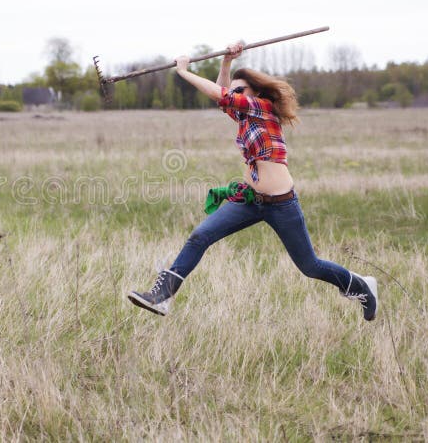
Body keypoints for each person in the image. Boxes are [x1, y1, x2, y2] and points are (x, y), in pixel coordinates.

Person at [127, 42, 378, 320]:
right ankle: (162, 297)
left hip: (281, 205)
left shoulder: (261, 107)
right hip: (249, 200)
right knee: (200, 236)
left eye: (240, 91)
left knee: (310, 266)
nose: (234, 95)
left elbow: (220, 94)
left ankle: (361, 286)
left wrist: (184, 72)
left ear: (255, 93)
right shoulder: (244, 114)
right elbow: (222, 97)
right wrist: (226, 62)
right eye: (234, 91)